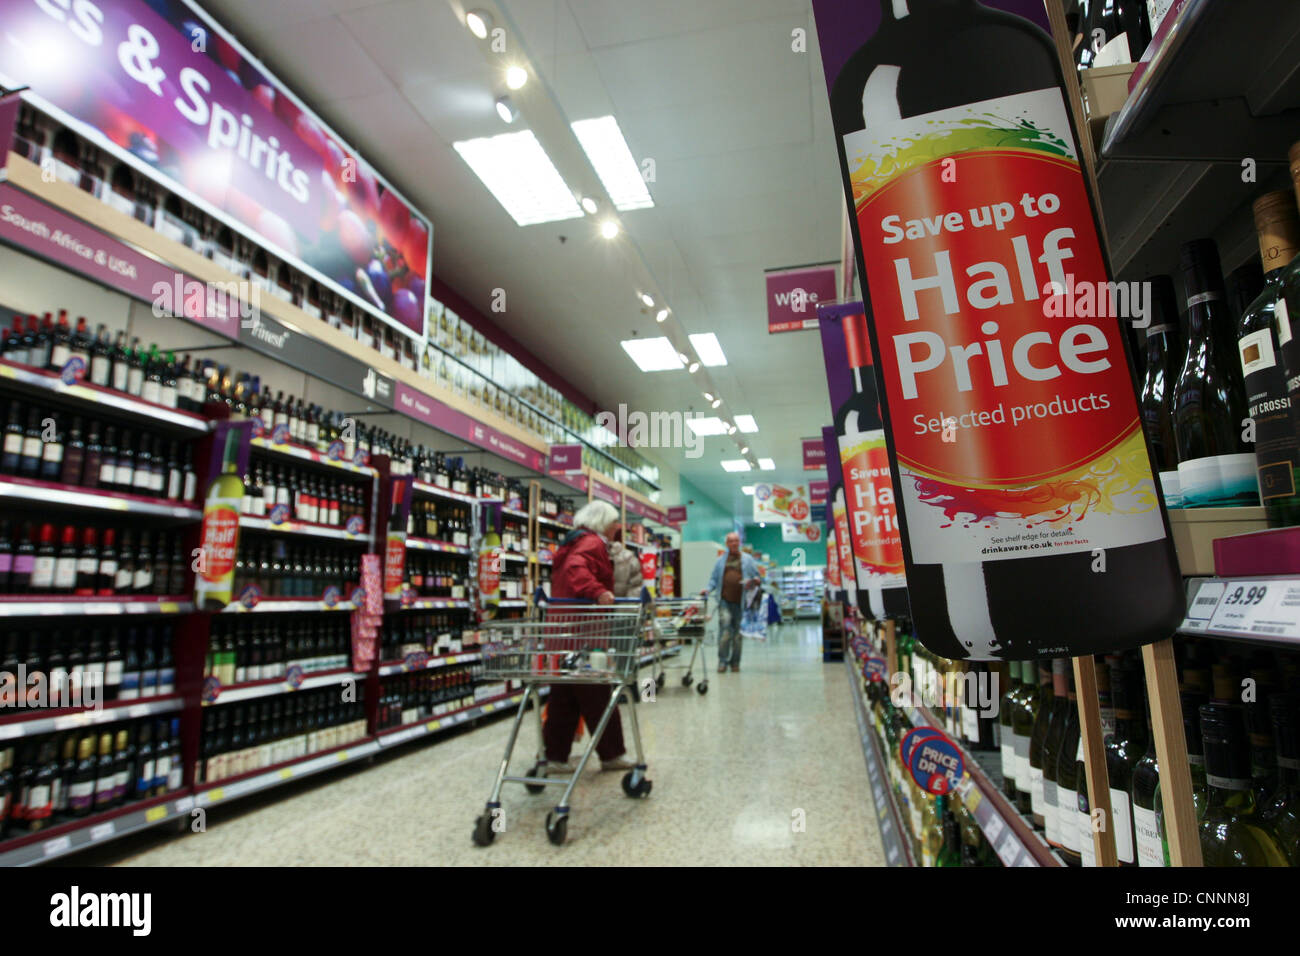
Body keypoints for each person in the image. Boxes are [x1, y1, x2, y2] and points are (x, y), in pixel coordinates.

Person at [542, 500, 636, 773]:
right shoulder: (591, 543)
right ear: (602, 523)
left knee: (565, 697)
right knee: (598, 695)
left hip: (564, 632)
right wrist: (598, 592)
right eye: (614, 523)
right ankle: (612, 755)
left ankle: (555, 757)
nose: (617, 528)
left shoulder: (571, 541)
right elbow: (576, 569)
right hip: (584, 631)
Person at [706, 532, 760, 672]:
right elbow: (713, 579)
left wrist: (756, 581)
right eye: (731, 541)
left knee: (737, 635)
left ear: (739, 542)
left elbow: (757, 577)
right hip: (724, 601)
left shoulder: (748, 559)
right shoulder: (720, 561)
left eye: (736, 541)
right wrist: (707, 590)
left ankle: (735, 662)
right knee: (725, 633)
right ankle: (722, 662)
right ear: (727, 544)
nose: (734, 543)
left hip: (742, 602)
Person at [608, 526, 642, 598]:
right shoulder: (629, 557)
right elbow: (636, 585)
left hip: (598, 605)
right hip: (622, 603)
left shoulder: (595, 553)